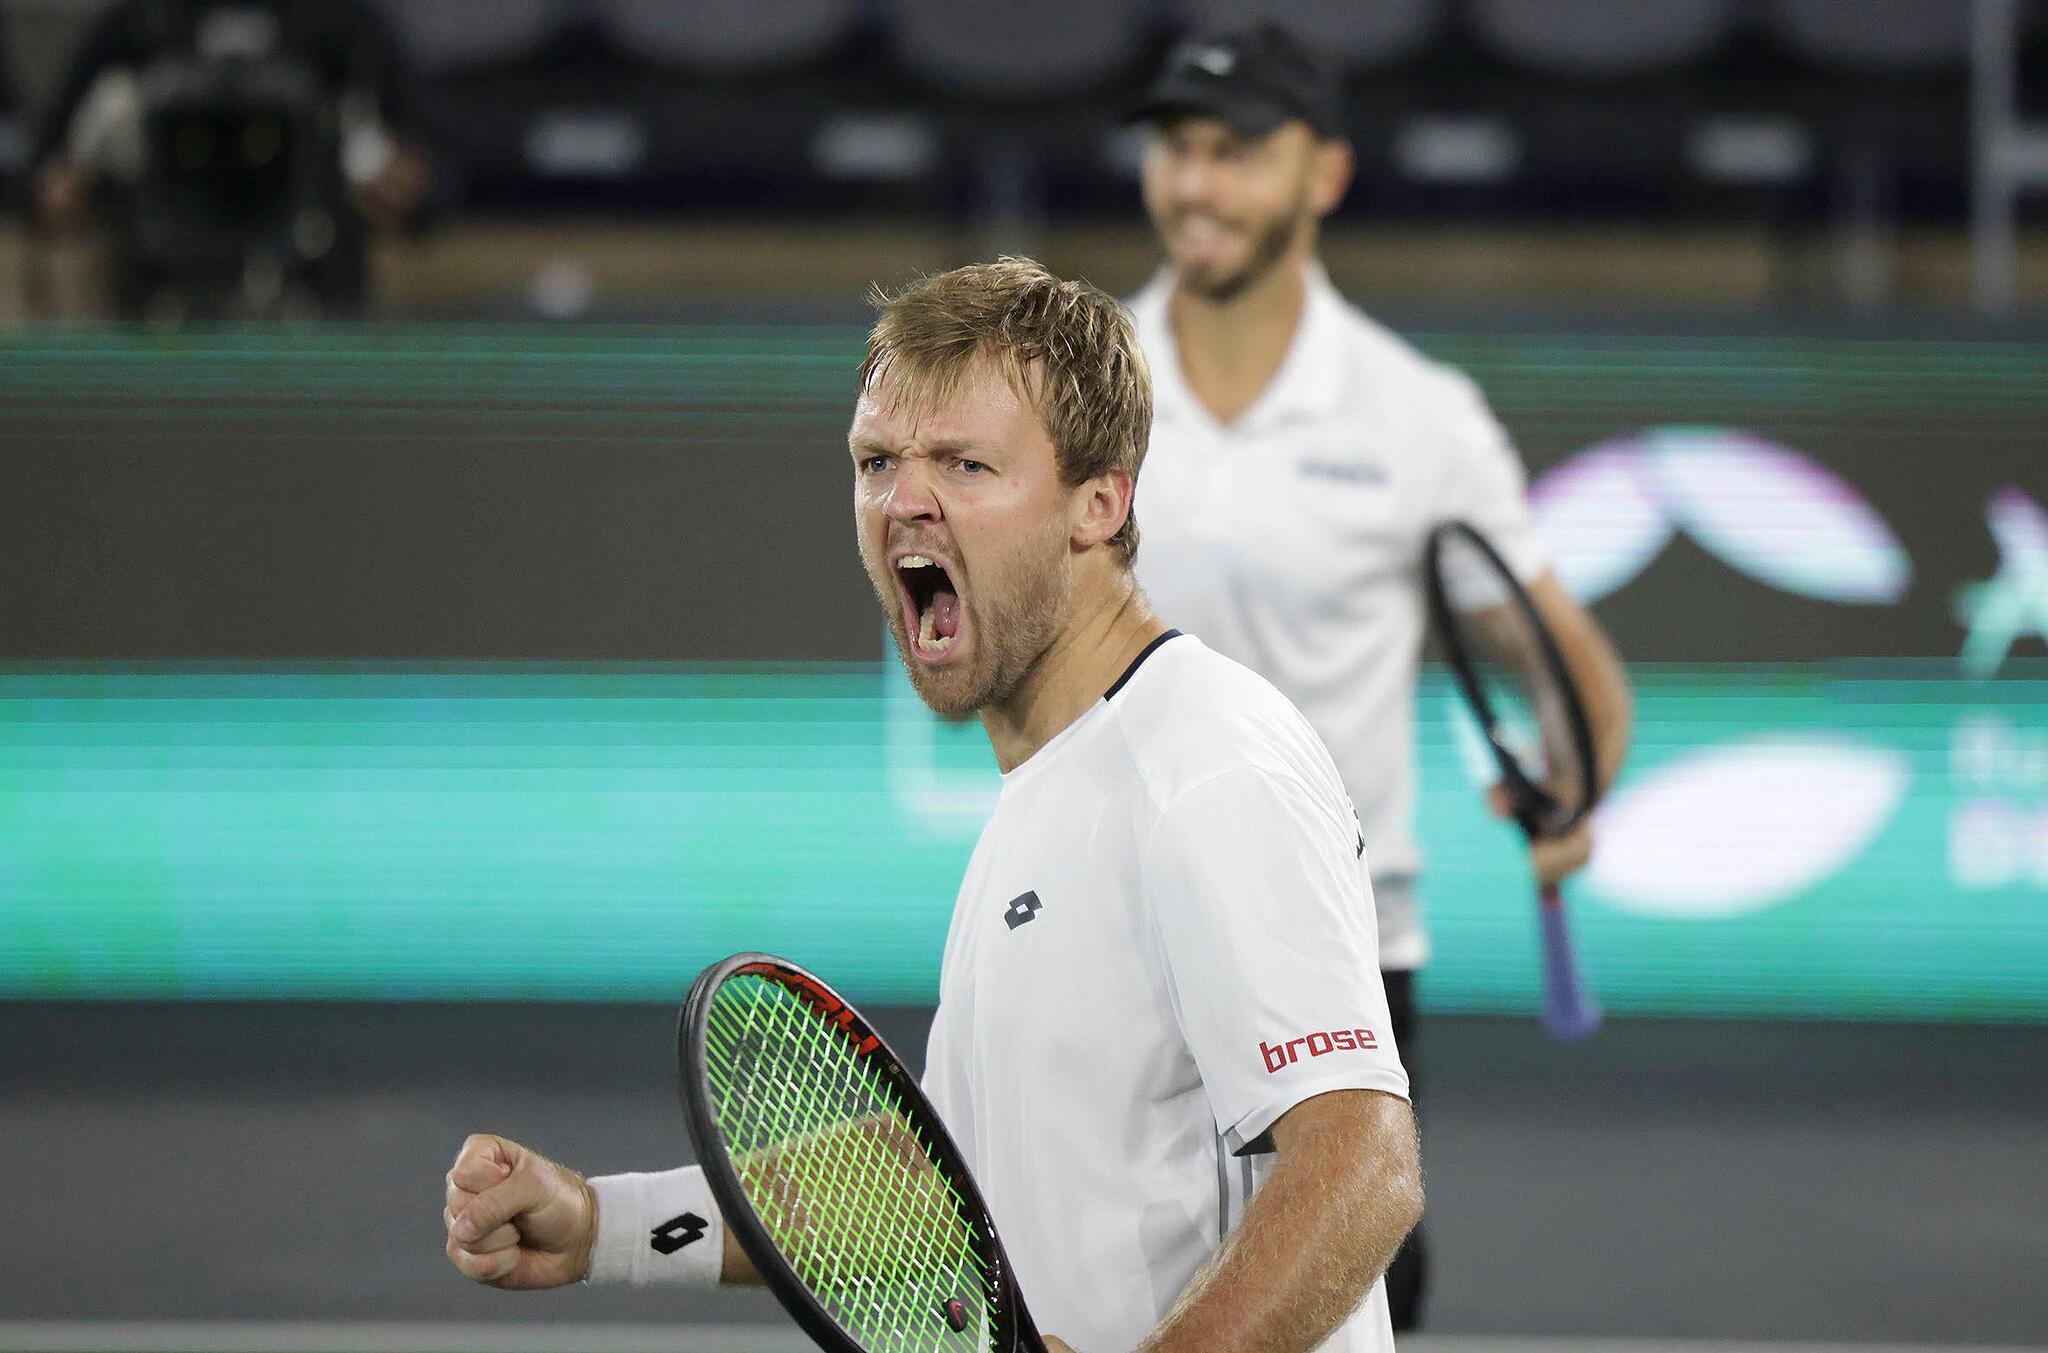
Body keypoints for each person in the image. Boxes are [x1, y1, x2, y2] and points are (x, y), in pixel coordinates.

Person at [442, 258, 1425, 1351]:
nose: (904, 500)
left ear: (1098, 503)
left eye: (963, 463)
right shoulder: (1051, 791)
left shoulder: (1205, 758)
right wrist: (609, 1225)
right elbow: (941, 1193)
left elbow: (1359, 1164)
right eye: (876, 462)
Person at [1122, 23, 1636, 1330]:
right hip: (1115, 920)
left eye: (1239, 153)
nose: (1199, 184)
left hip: (1338, 943)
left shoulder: (1421, 413)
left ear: (1325, 176)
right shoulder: (1082, 382)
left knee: (1343, 1297)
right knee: (1098, 1275)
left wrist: (1570, 783)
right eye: (1180, 148)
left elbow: (1562, 663)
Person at [26, 0, 431, 317]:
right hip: (157, 288)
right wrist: (74, 181)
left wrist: (394, 179)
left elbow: (435, 172)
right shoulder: (136, 25)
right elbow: (40, 178)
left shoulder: (342, 29)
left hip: (312, 283)